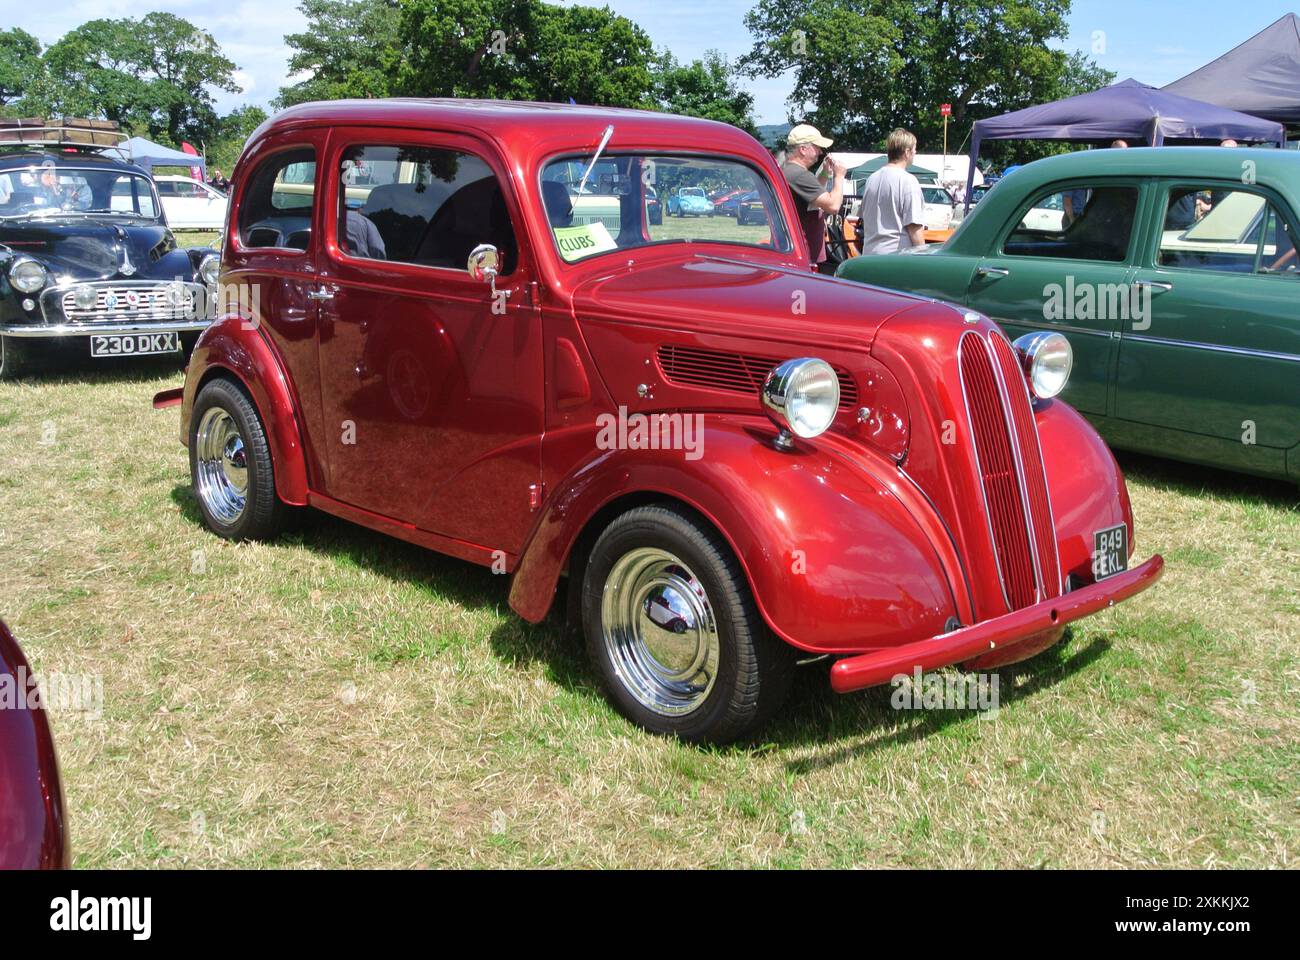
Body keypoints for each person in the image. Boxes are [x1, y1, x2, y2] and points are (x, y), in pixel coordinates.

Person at [781, 124, 847, 271]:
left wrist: (824, 173)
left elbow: (814, 196)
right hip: (803, 255)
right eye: (817, 147)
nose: (820, 152)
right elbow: (833, 206)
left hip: (797, 253)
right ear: (803, 149)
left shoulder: (791, 171)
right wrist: (839, 176)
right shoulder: (799, 175)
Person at [857, 128, 926, 255]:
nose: (915, 152)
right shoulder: (908, 181)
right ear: (907, 152)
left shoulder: (871, 179)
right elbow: (914, 228)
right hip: (896, 258)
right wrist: (925, 259)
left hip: (869, 255)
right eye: (914, 149)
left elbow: (865, 219)